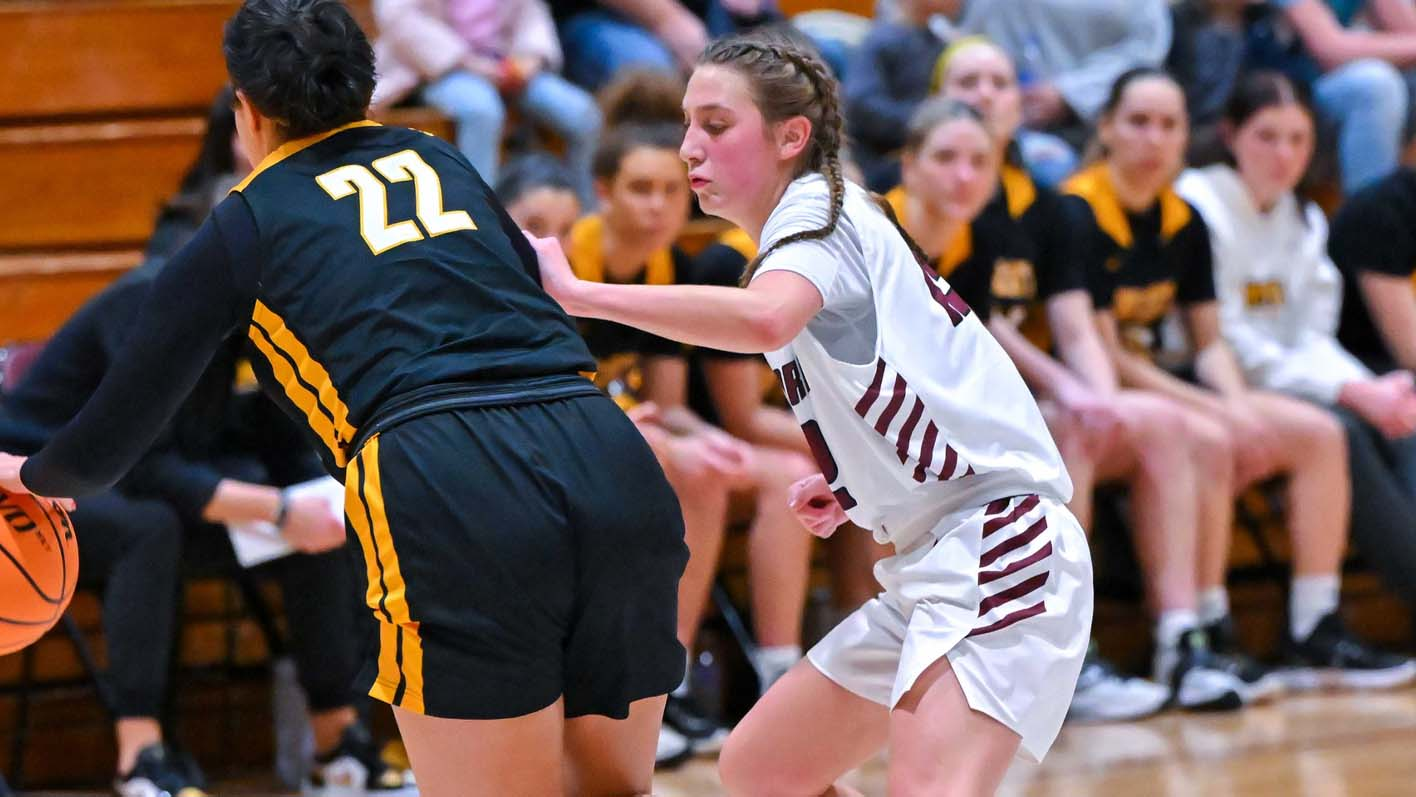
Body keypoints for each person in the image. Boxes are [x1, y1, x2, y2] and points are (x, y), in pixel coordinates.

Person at [0, 1, 688, 794]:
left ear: (246, 112)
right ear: (369, 92)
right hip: (605, 450)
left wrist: (30, 475)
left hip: (448, 474)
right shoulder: (445, 160)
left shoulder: (246, 220)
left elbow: (107, 443)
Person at [527, 31, 1093, 795]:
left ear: (791, 136)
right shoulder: (824, 221)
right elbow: (910, 371)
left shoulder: (815, 211)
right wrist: (861, 480)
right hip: (935, 553)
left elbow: (765, 319)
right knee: (765, 769)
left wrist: (583, 295)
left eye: (717, 126)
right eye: (689, 123)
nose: (690, 145)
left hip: (999, 542)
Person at [930, 38, 1246, 716]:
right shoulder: (937, 201)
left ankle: (1180, 638)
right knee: (1068, 429)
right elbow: (981, 327)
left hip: (1026, 399)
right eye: (968, 81)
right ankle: (1061, 653)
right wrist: (1079, 396)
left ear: (1022, 102)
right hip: (945, 409)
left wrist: (1102, 396)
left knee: (1158, 424)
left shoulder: (1048, 208)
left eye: (998, 81)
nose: (984, 94)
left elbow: (1073, 324)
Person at [1066, 67, 1401, 695]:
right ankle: (1193, 631)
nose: (1154, 139)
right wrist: (1217, 407)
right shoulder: (1082, 210)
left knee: (1320, 435)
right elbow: (1107, 353)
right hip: (1107, 385)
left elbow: (1211, 339)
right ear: (1106, 127)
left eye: (1169, 125)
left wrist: (1239, 404)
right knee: (1210, 436)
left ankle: (1311, 624)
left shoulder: (1184, 217)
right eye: (1139, 122)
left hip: (1167, 381)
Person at [569, 69, 816, 719]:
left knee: (780, 471)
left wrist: (709, 437)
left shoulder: (670, 268)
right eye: (641, 189)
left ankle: (776, 672)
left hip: (640, 431)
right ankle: (662, 678)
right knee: (694, 469)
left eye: (672, 191)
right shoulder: (567, 261)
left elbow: (672, 401)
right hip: (570, 441)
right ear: (602, 193)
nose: (658, 206)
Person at [1180, 72, 1416, 667]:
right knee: (1344, 431)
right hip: (1206, 375)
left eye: (1298, 140)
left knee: (1395, 416)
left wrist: (1367, 387)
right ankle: (1320, 620)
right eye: (1268, 137)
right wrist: (1348, 390)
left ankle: (1319, 620)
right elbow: (1223, 336)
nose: (1284, 155)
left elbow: (1314, 334)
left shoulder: (1303, 218)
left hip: (1283, 381)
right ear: (1232, 135)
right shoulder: (1199, 204)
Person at [370, 0, 601, 204]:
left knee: (582, 113)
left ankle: (585, 214)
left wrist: (531, 57)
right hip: (438, 68)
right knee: (482, 112)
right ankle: (482, 215)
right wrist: (472, 64)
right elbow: (401, 21)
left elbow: (531, 15)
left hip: (511, 65)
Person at [958, 0, 1173, 186]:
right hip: (1014, 121)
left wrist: (1071, 93)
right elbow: (967, 40)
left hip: (1100, 119)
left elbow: (1148, 43)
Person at [1248, 0, 1416, 192]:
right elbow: (1331, 50)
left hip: (1344, 106)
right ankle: (1371, 214)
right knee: (1376, 85)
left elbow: (1409, 31)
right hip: (1288, 101)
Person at [842, 0, 958, 191]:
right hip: (878, 163)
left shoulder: (941, 42)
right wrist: (928, 122)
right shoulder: (882, 40)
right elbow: (860, 105)